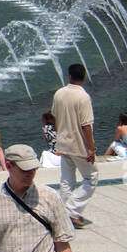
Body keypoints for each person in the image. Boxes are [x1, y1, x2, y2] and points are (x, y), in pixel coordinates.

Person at [51, 63, 97, 229]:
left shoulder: (59, 94)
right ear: (83, 77)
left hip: (63, 143)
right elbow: (86, 125)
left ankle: (61, 212)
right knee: (91, 178)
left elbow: (54, 117)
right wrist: (91, 148)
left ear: (69, 76)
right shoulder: (83, 97)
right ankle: (71, 210)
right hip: (79, 145)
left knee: (66, 181)